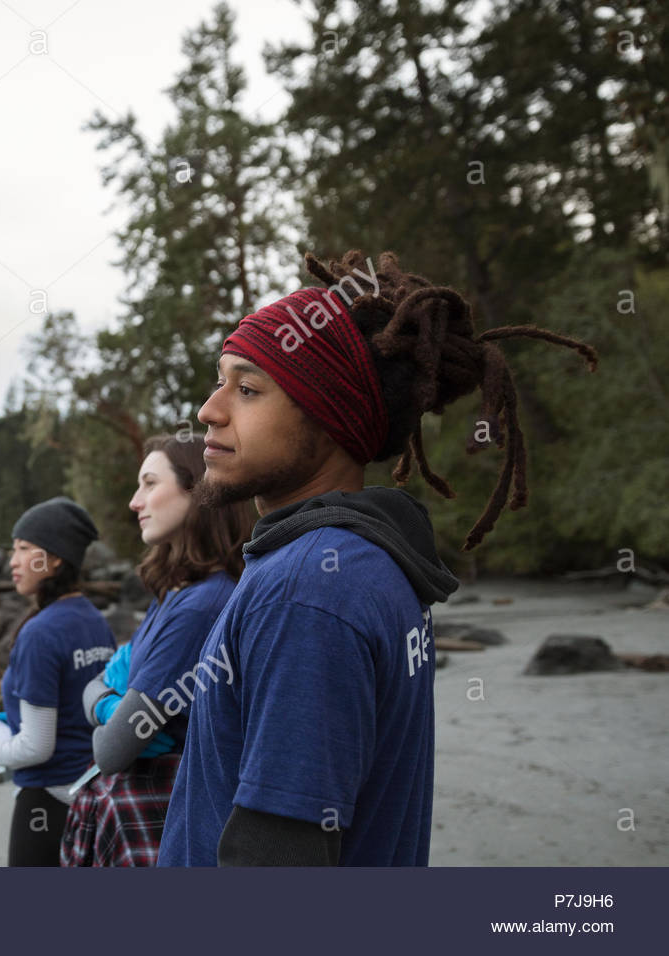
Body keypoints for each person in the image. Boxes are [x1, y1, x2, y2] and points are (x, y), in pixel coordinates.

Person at [157, 251, 598, 867]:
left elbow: (280, 858)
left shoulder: (307, 588)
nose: (209, 409)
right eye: (220, 380)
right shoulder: (364, 561)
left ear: (333, 416)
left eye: (249, 389)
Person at [60, 433, 254, 866]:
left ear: (197, 491)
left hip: (167, 821)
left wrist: (109, 708)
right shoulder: (174, 594)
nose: (135, 501)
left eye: (150, 483)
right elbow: (99, 688)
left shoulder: (200, 606)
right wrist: (112, 706)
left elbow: (111, 752)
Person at [0, 496, 116, 866]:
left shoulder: (40, 632)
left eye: (25, 549)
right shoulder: (95, 621)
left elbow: (36, 747)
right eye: (13, 550)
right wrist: (9, 718)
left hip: (45, 801)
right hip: (91, 792)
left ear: (55, 558)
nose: (12, 561)